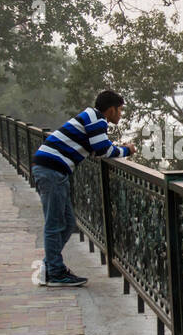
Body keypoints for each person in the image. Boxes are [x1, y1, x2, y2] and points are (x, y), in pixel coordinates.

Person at [30, 91, 137, 288]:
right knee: (54, 223)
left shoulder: (92, 117)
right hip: (51, 171)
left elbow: (98, 147)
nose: (121, 114)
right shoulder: (98, 120)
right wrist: (127, 150)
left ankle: (50, 267)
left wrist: (114, 148)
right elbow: (104, 151)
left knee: (68, 222)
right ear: (111, 109)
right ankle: (55, 273)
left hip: (53, 170)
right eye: (120, 110)